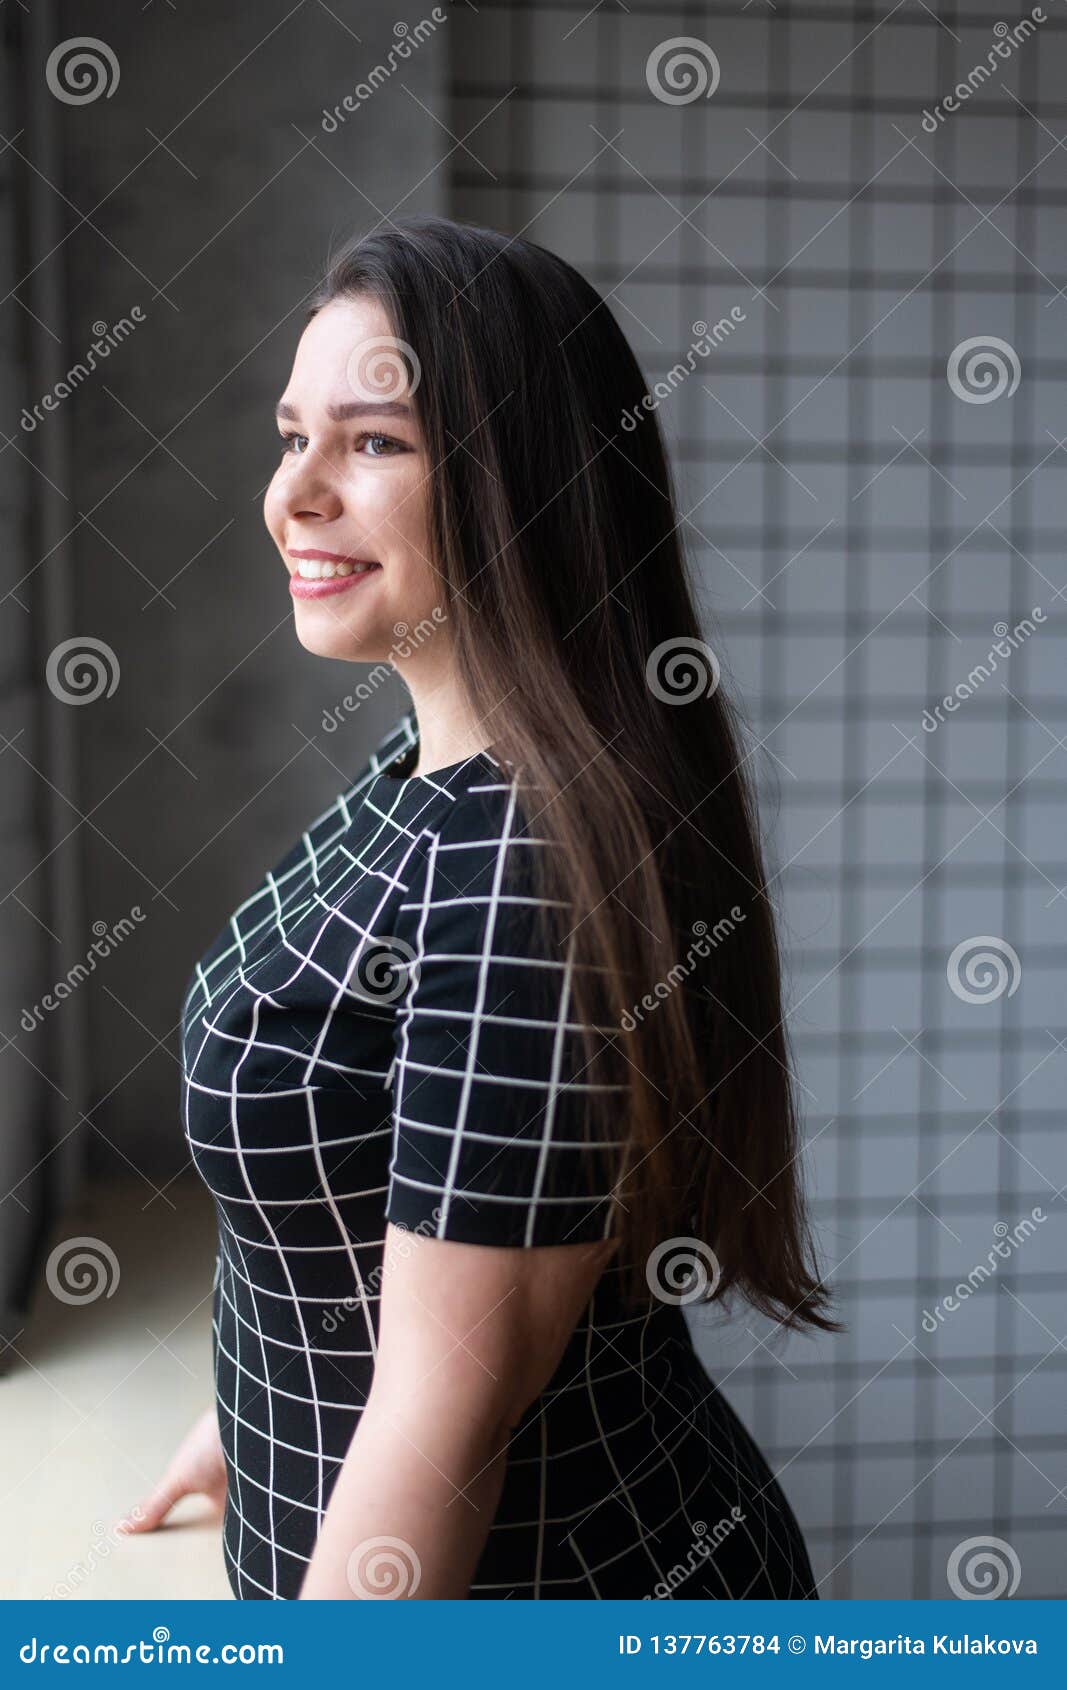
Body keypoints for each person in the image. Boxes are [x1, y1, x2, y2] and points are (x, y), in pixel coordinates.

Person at [117, 214, 838, 1600]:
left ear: (527, 487)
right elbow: (358, 1184)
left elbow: (445, 1425)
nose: (295, 495)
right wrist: (255, 1408)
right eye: (290, 436)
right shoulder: (424, 769)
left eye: (373, 442)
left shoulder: (523, 862)